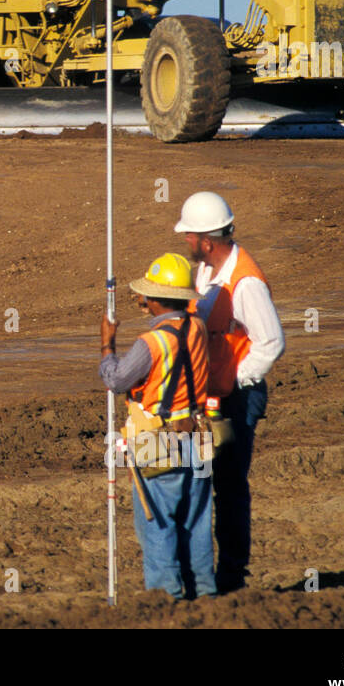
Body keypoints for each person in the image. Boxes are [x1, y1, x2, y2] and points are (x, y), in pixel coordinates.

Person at [174, 191, 285, 593]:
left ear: (207, 240)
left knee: (230, 485)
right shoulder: (206, 271)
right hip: (210, 396)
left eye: (189, 236)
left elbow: (271, 343)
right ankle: (206, 575)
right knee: (203, 480)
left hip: (237, 399)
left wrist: (233, 381)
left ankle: (233, 574)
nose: (184, 241)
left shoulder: (245, 282)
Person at [99, 252, 215, 600]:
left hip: (157, 441)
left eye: (145, 294)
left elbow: (117, 380)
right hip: (199, 435)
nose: (141, 298)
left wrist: (107, 343)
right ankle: (206, 595)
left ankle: (167, 599)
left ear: (154, 299)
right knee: (196, 522)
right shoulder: (198, 327)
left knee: (158, 523)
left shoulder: (152, 342)